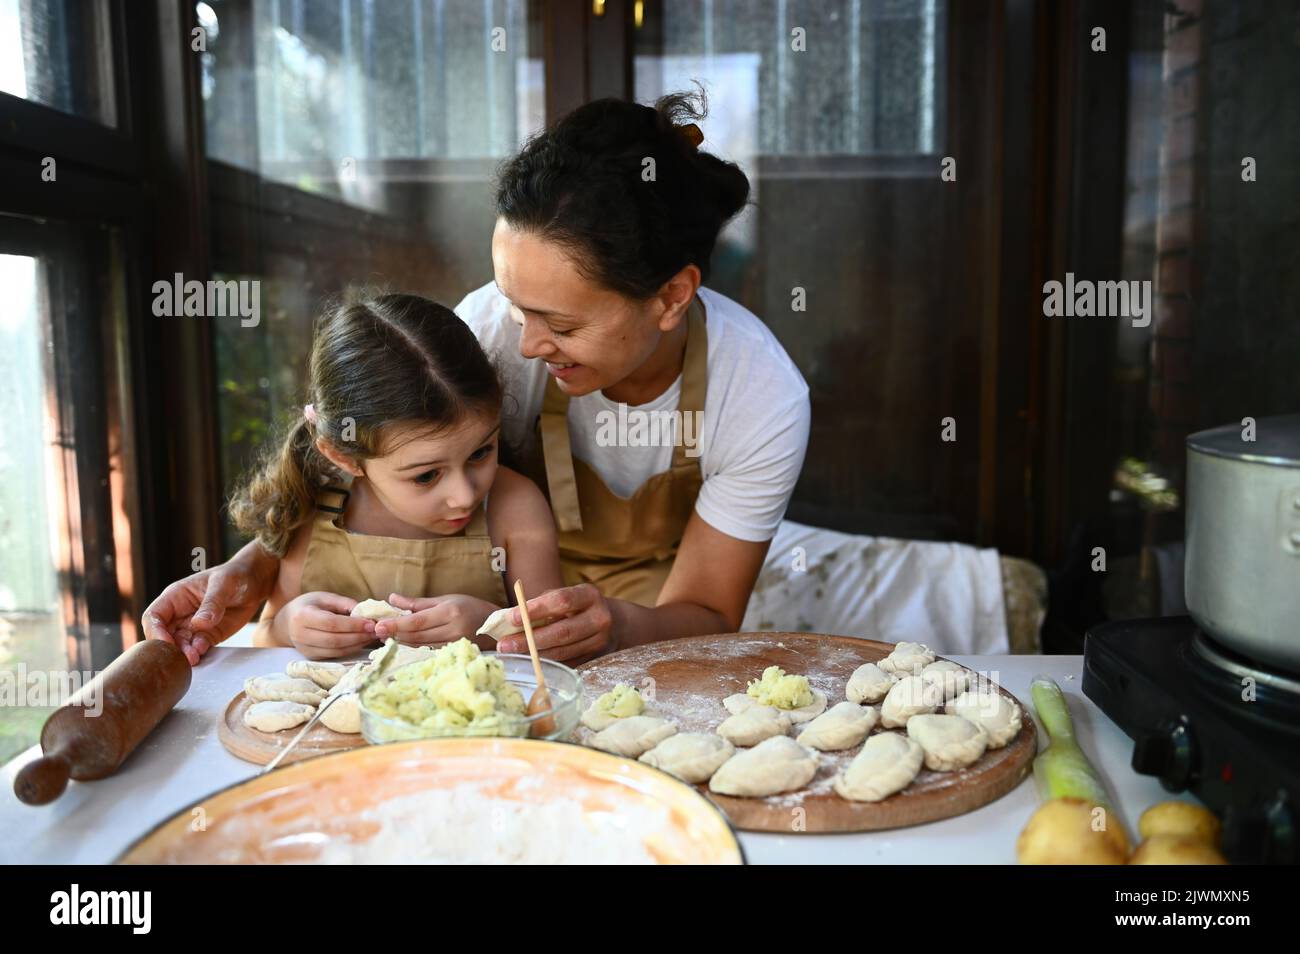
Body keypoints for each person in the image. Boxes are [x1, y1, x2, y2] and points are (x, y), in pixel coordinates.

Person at [145, 88, 810, 664]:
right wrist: (249, 571)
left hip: (651, 625)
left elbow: (710, 616)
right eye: (515, 305)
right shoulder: (491, 328)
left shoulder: (758, 397)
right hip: (498, 606)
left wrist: (612, 622)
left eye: (561, 325)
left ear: (671, 297)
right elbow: (374, 447)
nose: (523, 343)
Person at [153, 293, 563, 663]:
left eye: (480, 452)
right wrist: (292, 625)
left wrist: (492, 628)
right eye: (425, 476)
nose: (463, 495)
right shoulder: (316, 507)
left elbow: (555, 644)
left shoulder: (514, 507)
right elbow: (266, 641)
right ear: (343, 455)